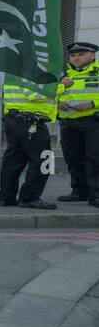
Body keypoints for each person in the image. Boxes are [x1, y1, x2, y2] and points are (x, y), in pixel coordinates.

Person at [0, 79, 57, 210]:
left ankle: (6, 197)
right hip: (30, 120)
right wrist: (61, 85)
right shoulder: (31, 68)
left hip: (15, 119)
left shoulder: (14, 69)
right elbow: (34, 94)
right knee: (45, 159)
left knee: (14, 159)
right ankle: (30, 197)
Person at [57, 41, 99, 208]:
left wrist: (93, 104)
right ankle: (79, 192)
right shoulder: (63, 73)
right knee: (73, 158)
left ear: (92, 55)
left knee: (94, 159)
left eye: (81, 54)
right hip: (68, 123)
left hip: (93, 122)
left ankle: (96, 195)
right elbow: (49, 93)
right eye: (73, 55)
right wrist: (58, 103)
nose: (76, 58)